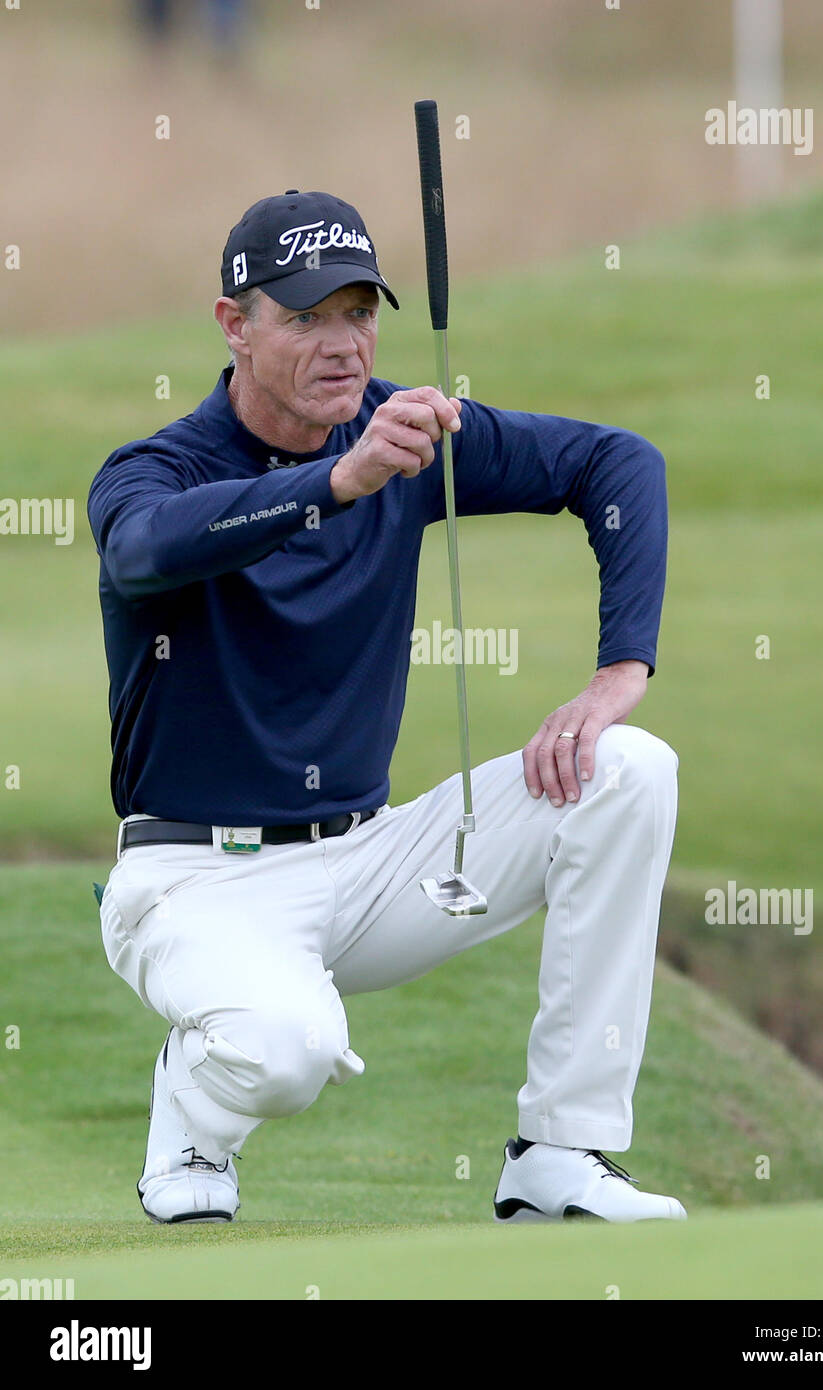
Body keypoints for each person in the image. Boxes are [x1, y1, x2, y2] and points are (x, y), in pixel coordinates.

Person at [88, 189, 685, 1225]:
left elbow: (618, 462)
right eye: (307, 315)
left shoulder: (405, 434)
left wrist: (616, 674)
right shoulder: (157, 470)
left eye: (360, 313)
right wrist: (340, 479)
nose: (343, 343)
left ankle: (562, 1150)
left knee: (629, 771)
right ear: (235, 324)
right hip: (193, 876)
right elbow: (147, 549)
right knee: (290, 1052)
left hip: (373, 863)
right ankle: (195, 1091)